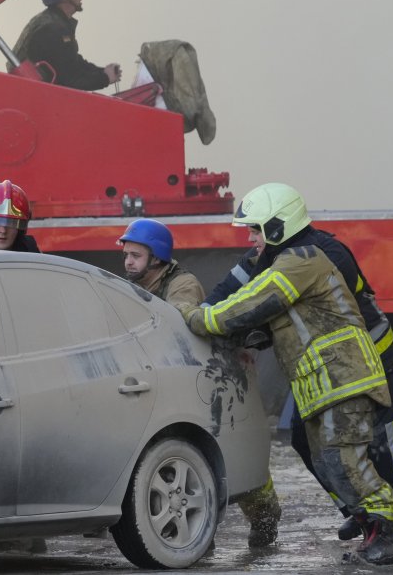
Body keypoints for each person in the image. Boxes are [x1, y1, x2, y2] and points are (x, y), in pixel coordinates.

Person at [180, 182, 393, 565]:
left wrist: (192, 315)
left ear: (278, 227)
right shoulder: (292, 262)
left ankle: (387, 531)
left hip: (343, 379)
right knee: (328, 462)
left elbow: (245, 304)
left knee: (343, 459)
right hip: (325, 384)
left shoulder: (300, 261)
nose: (251, 240)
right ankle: (374, 532)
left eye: (255, 230)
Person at [118, 218, 283, 548]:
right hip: (164, 378)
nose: (128, 262)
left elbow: (175, 323)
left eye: (136, 255)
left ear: (157, 258)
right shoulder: (133, 288)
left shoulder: (183, 285)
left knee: (235, 450)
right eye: (127, 254)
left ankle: (265, 515)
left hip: (209, 378)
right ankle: (195, 534)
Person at [10, 0, 121, 91]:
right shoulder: (53, 30)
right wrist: (105, 78)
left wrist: (102, 71)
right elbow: (72, 80)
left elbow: (73, 62)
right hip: (45, 99)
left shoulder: (50, 22)